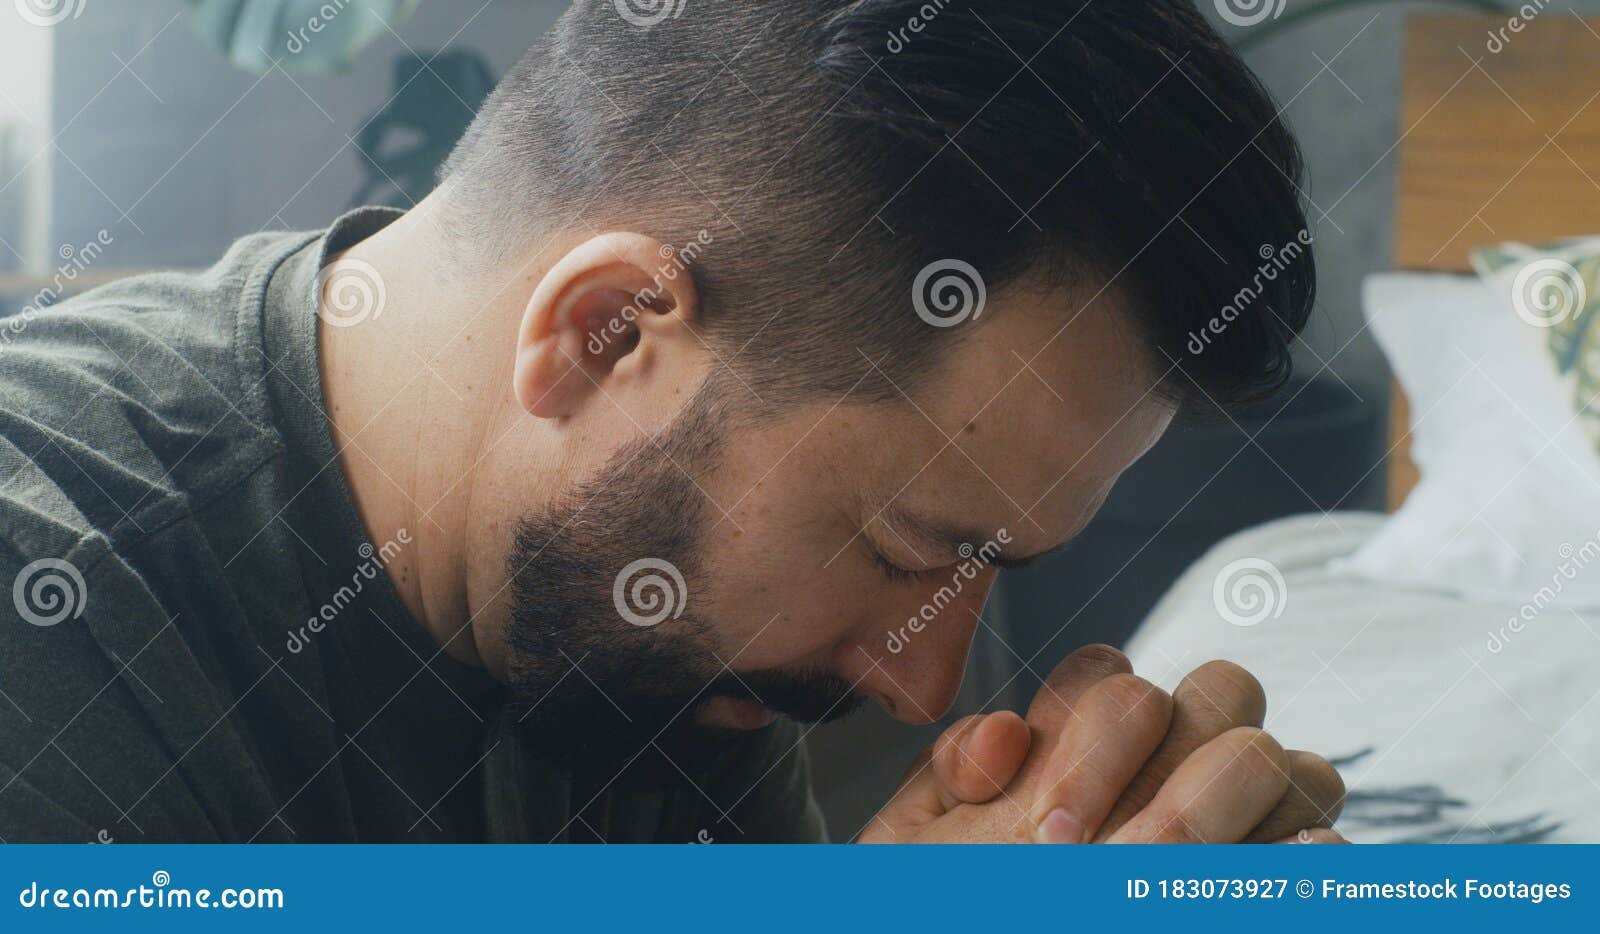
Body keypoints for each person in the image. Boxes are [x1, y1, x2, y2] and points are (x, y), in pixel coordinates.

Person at [0, 0, 1340, 843]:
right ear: (608, 333)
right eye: (910, 550)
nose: (923, 684)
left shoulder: (628, 638)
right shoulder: (45, 625)